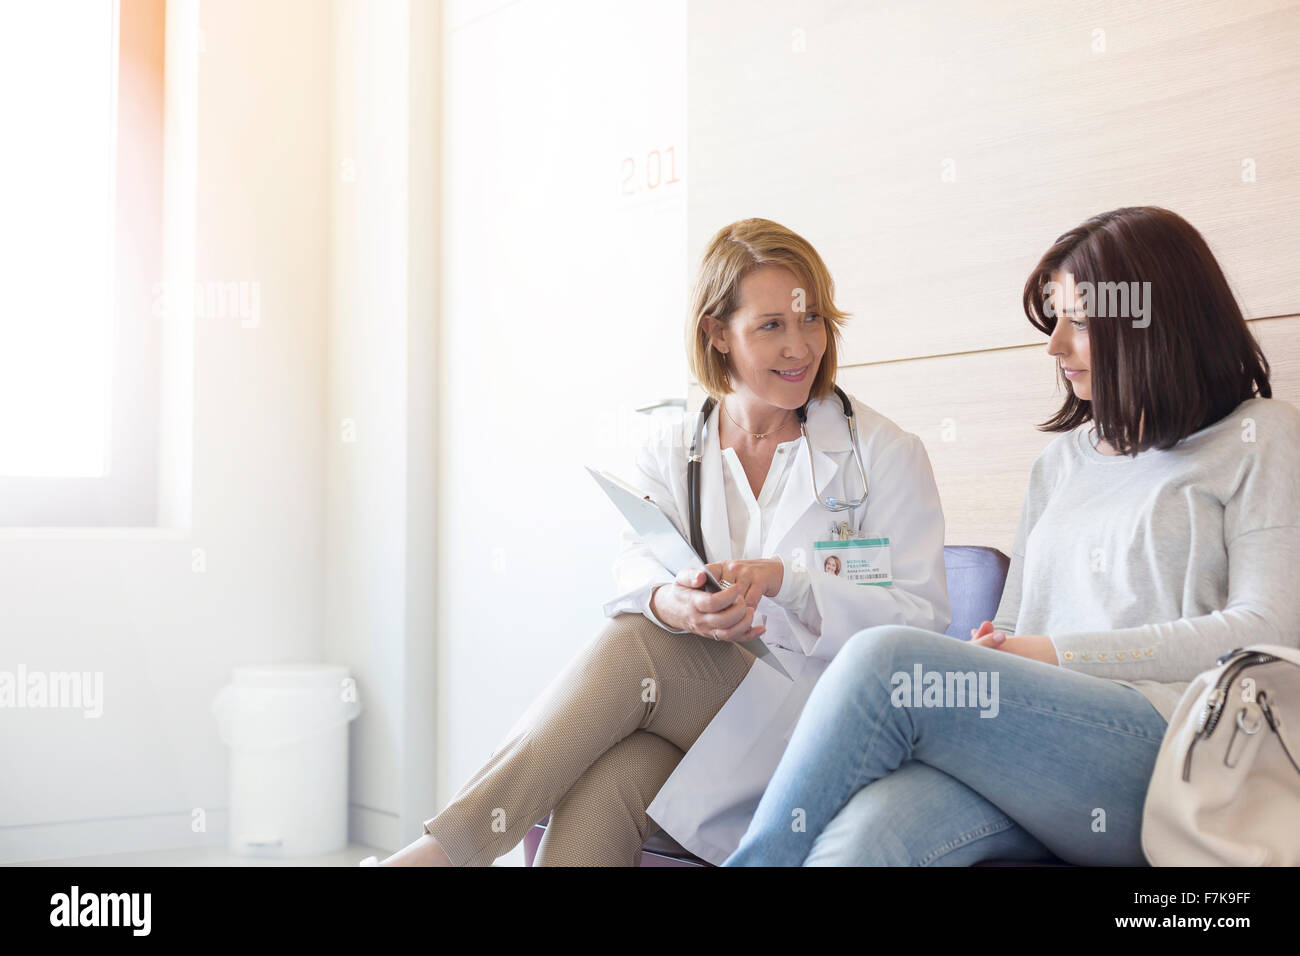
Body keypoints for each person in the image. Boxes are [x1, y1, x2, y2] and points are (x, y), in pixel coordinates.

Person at [724, 206, 1300, 866]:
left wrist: (1055, 653)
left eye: (1079, 323)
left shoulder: (1261, 437)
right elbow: (1015, 625)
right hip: (1039, 753)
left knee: (887, 662)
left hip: (1172, 750)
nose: (1055, 347)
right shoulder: (1058, 466)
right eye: (1053, 322)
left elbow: (1265, 632)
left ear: (1155, 320)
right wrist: (1002, 648)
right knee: (868, 836)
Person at [370, 217, 949, 866]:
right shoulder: (673, 449)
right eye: (772, 326)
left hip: (826, 719)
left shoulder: (885, 455)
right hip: (712, 725)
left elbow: (922, 622)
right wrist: (675, 603)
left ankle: (445, 851)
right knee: (613, 775)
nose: (801, 347)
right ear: (716, 333)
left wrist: (791, 583)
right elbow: (637, 569)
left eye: (811, 319)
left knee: (638, 644)